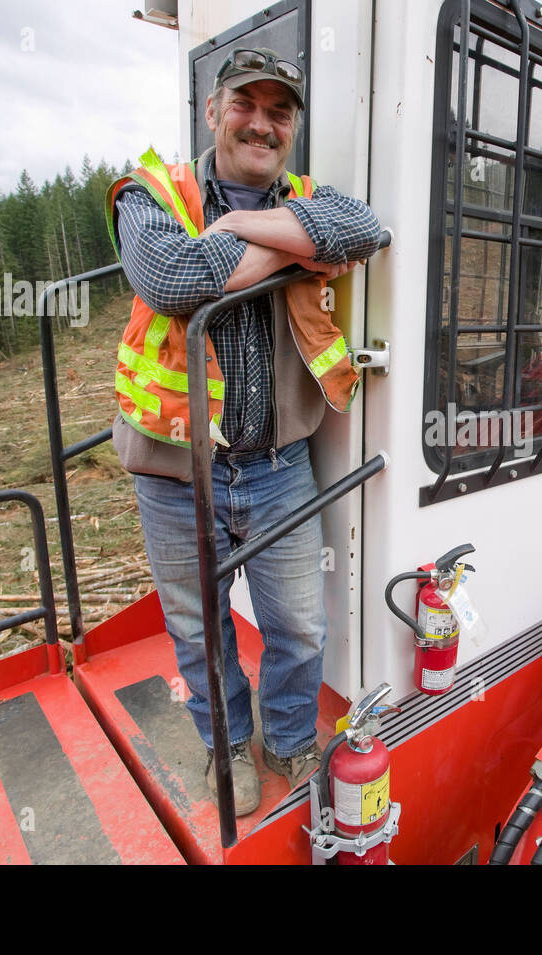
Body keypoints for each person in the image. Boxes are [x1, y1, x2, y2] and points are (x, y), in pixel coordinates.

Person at [108, 47, 382, 815]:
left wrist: (234, 229)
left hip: (279, 464)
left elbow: (365, 228)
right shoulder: (152, 192)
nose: (261, 123)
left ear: (291, 126)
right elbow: (172, 280)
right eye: (245, 104)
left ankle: (290, 744)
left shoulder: (303, 193)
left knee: (298, 625)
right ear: (212, 110)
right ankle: (225, 746)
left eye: (279, 111)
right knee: (201, 631)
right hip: (174, 471)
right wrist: (289, 244)